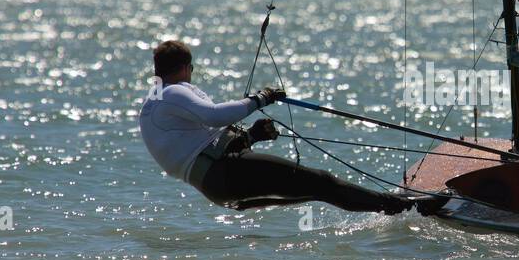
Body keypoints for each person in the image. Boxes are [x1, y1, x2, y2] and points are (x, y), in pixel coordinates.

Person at [139, 40, 444, 216]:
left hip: (217, 189)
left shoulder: (152, 105)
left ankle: (398, 208)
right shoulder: (172, 92)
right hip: (225, 174)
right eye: (192, 68)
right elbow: (215, 116)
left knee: (316, 190)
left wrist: (252, 135)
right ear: (184, 67)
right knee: (322, 182)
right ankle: (407, 208)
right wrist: (261, 98)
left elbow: (200, 149)